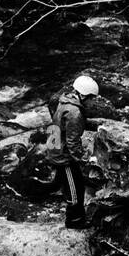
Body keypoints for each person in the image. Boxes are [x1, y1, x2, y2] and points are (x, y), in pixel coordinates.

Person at [44, 74, 99, 228]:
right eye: (91, 98)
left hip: (56, 150)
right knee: (75, 189)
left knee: (74, 186)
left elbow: (56, 128)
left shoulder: (64, 102)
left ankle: (76, 216)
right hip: (64, 157)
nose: (92, 102)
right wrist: (85, 159)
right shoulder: (74, 113)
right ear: (82, 95)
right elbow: (73, 143)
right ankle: (74, 221)